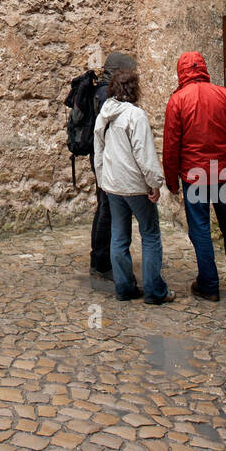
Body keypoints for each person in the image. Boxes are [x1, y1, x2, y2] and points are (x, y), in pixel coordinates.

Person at [163, 51, 226, 302]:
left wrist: (171, 181)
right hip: (223, 171)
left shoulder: (178, 101)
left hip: (195, 175)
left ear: (181, 72)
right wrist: (224, 149)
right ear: (203, 68)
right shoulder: (224, 95)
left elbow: (171, 146)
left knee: (200, 228)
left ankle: (209, 284)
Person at [93, 66, 175, 305]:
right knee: (150, 234)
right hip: (135, 185)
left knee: (118, 235)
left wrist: (102, 180)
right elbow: (144, 154)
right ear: (134, 89)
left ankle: (125, 287)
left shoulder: (105, 114)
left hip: (113, 185)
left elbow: (99, 151)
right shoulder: (135, 115)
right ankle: (154, 291)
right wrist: (154, 183)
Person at [90, 51, 137, 279]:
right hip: (106, 157)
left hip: (103, 156)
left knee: (104, 206)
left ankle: (101, 258)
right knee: (107, 208)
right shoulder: (105, 95)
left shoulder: (99, 90)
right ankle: (101, 261)